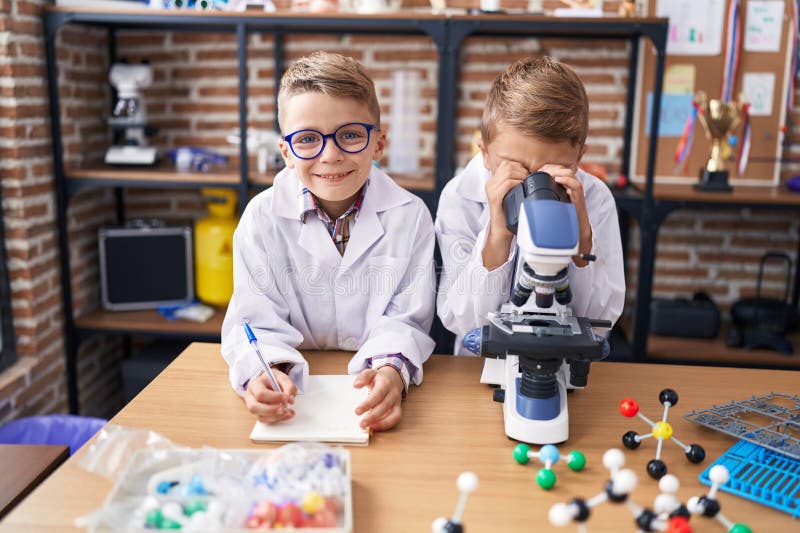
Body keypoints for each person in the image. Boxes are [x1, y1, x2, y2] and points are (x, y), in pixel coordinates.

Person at [221, 52, 435, 431]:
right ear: (286, 152)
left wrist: (391, 374)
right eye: (307, 139)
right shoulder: (260, 218)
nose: (331, 155)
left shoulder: (411, 216)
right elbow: (255, 322)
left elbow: (406, 320)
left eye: (350, 135)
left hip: (363, 395)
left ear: (379, 143)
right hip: (298, 402)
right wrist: (263, 373)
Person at [435, 56, 625, 355]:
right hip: (477, 365)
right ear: (484, 152)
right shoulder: (461, 196)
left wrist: (581, 238)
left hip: (564, 362)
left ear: (578, 158)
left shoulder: (595, 197)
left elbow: (600, 320)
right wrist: (499, 234)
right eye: (514, 166)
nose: (532, 183)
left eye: (553, 169)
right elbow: (463, 322)